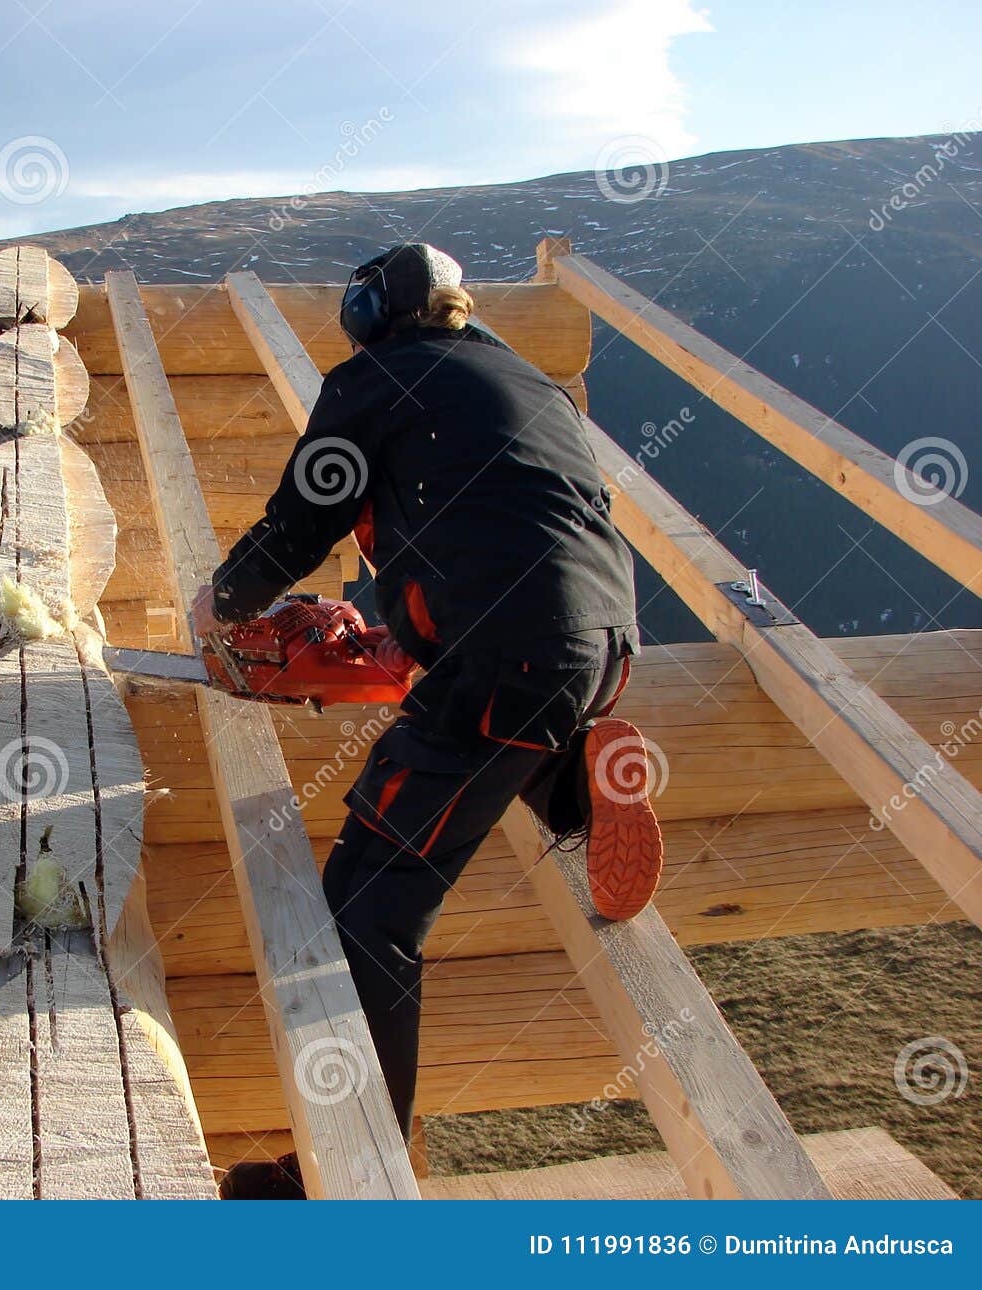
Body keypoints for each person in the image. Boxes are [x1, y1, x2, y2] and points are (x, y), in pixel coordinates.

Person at [194, 243, 664, 1200]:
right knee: (512, 719)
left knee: (368, 903)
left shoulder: (368, 381)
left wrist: (222, 602)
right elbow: (522, 518)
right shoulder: (525, 377)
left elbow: (304, 518)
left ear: (372, 310)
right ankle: (577, 786)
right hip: (601, 640)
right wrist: (421, 621)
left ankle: (350, 1168)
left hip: (500, 665)